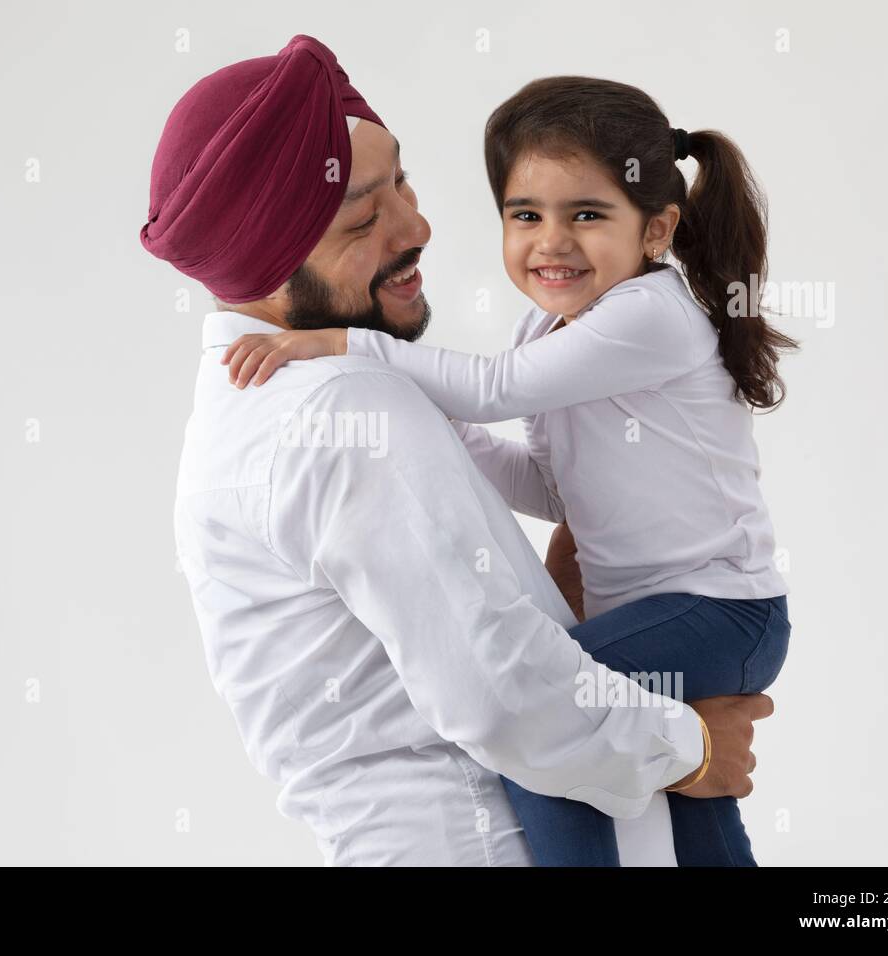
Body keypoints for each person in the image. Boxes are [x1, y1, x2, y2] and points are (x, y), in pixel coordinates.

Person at [142, 36, 772, 866]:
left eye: (401, 180)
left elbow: (450, 629)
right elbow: (506, 694)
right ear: (268, 268)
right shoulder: (339, 405)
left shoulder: (255, 406)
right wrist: (690, 746)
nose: (420, 227)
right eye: (365, 218)